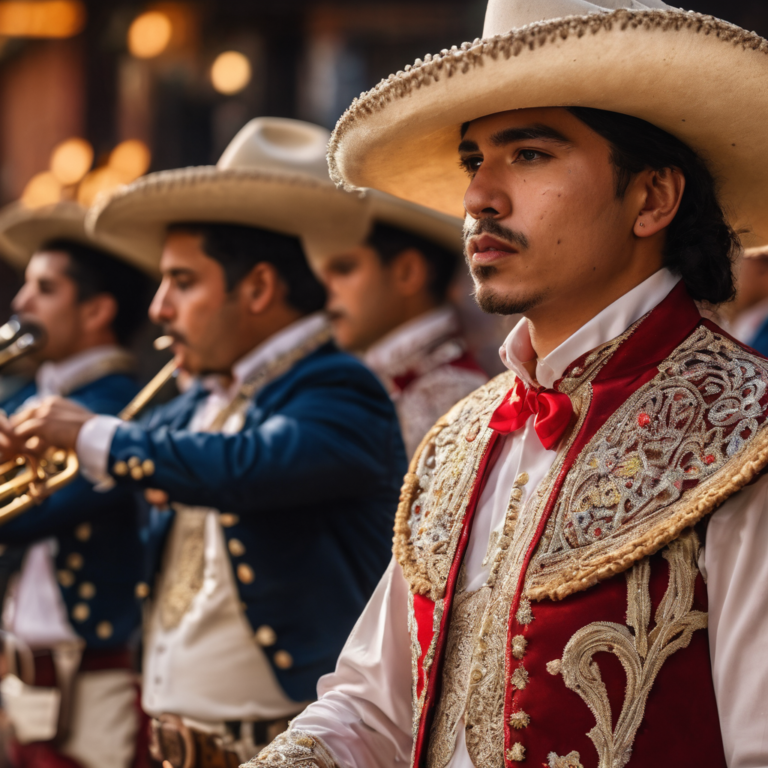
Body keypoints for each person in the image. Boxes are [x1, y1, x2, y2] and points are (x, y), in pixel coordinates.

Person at [244, 2, 768, 768]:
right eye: (472, 162)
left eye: (528, 155)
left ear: (653, 198)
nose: (477, 197)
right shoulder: (461, 437)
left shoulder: (747, 428)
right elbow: (376, 706)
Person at [9, 118, 406, 766]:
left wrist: (91, 433)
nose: (160, 309)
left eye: (182, 283)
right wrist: (31, 448)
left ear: (257, 289)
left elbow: (246, 465)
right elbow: (115, 469)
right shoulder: (196, 400)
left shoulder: (340, 385)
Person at [0, 201, 154, 768]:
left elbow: (32, 515)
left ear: (97, 310)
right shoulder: (23, 398)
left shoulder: (115, 409)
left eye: (44, 288)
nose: (21, 303)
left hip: (97, 681)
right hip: (27, 678)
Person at [309, 190, 487, 456]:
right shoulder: (387, 377)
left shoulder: (454, 392)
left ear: (408, 272)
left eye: (344, 268)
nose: (328, 290)